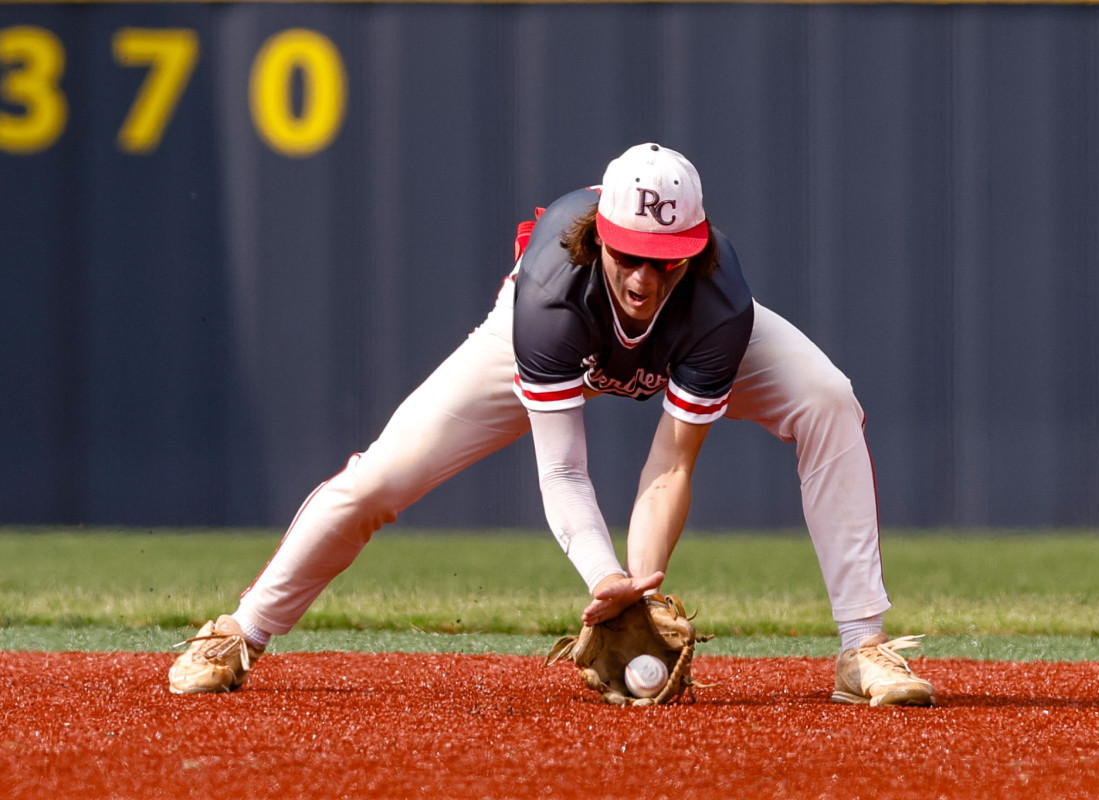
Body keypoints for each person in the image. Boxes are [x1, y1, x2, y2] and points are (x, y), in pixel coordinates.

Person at [169, 143, 935, 706]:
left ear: (694, 254)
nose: (642, 278)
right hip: (549, 343)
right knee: (381, 478)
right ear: (598, 238)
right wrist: (604, 580)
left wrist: (636, 587)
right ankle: (239, 631)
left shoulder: (718, 304)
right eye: (628, 254)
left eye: (664, 260)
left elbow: (670, 463)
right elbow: (564, 470)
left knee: (827, 397)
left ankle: (861, 647)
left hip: (678, 348)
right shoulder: (549, 295)